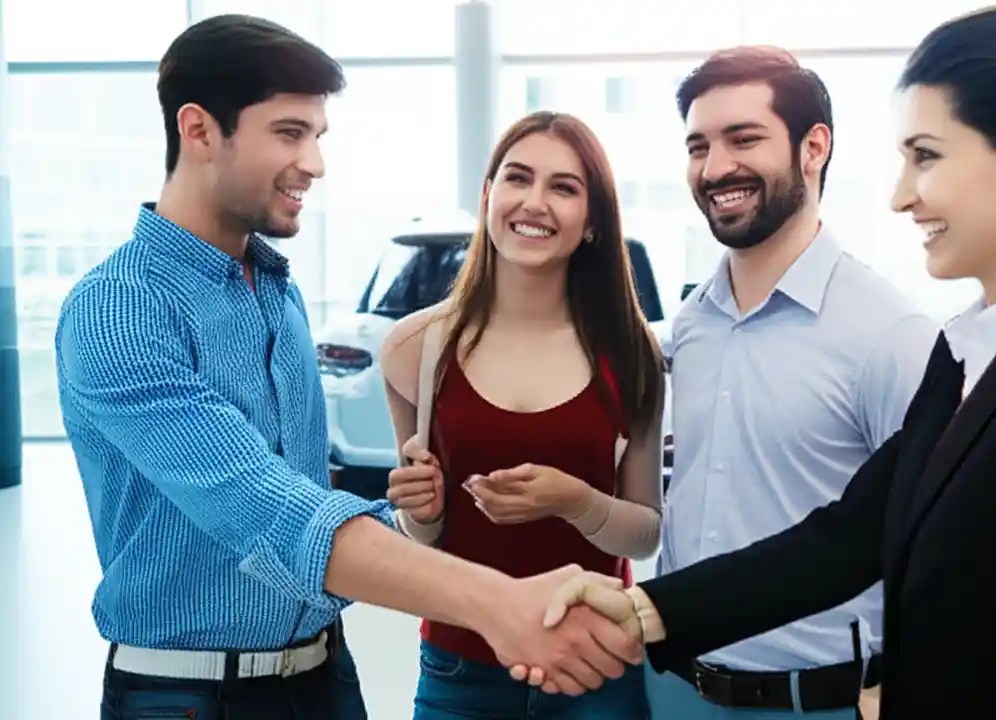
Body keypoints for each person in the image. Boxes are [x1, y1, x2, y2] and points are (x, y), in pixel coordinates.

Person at [531, 5, 996, 719]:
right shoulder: (968, 353)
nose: (900, 195)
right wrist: (645, 610)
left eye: (927, 156)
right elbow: (844, 538)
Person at [54, 16, 640, 720]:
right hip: (189, 697)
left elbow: (315, 494)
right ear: (200, 130)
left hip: (324, 675)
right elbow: (273, 511)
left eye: (317, 137)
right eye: (289, 132)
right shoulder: (120, 310)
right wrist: (499, 602)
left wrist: (426, 515)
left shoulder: (275, 290)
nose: (315, 163)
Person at [645, 46, 938, 718]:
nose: (716, 169)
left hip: (819, 703)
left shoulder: (889, 334)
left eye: (743, 139)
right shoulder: (690, 325)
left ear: (814, 148)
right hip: (671, 691)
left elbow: (930, 543)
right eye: (699, 146)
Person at [379, 111, 665, 720]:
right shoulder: (414, 349)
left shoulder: (632, 353)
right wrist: (420, 510)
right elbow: (422, 538)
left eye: (564, 188)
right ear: (487, 196)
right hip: (461, 668)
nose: (534, 202)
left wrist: (576, 501)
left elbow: (645, 534)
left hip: (597, 661)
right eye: (518, 178)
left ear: (592, 222)